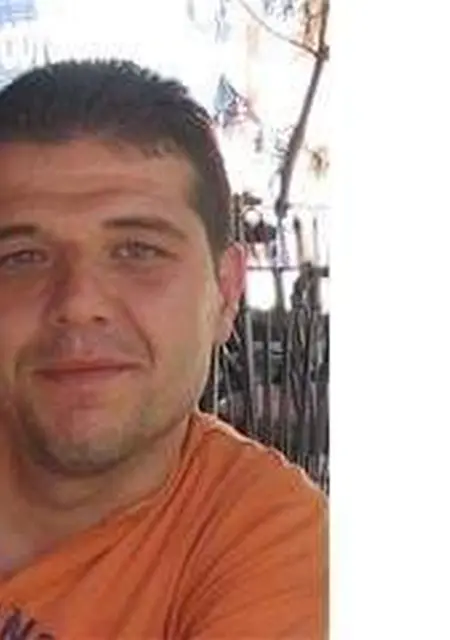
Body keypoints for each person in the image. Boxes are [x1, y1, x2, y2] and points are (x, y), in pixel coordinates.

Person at [0, 59, 327, 639]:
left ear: (226, 292)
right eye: (21, 257)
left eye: (138, 251)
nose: (78, 302)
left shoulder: (266, 542)